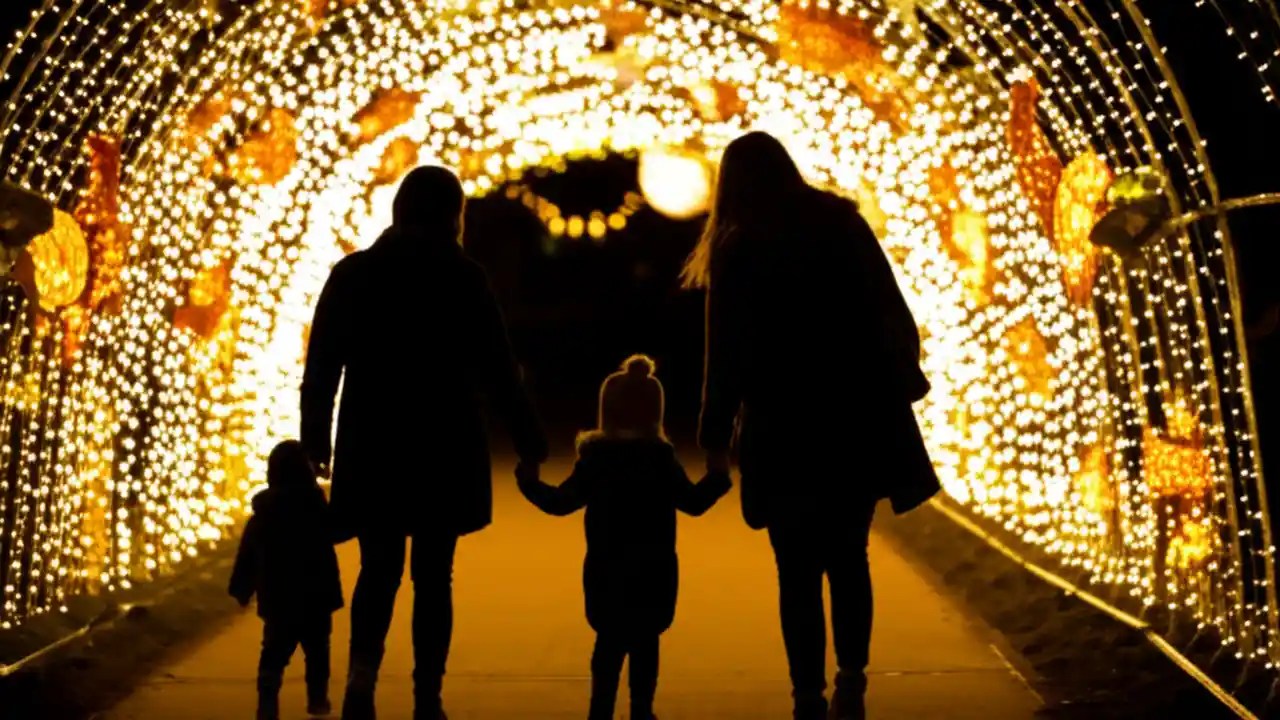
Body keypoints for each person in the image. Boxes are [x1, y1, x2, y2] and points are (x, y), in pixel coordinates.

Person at [685, 132, 940, 720]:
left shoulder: (738, 245)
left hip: (781, 427)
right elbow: (892, 311)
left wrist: (716, 443)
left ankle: (807, 693)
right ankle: (852, 678)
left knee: (795, 568)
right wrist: (897, 377)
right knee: (850, 557)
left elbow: (722, 354)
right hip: (853, 419)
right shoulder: (841, 226)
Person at [301, 166, 548, 720]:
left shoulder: (354, 274)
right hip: (444, 442)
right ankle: (426, 695)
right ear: (452, 214)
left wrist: (314, 436)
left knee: (378, 567)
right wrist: (529, 441)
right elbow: (498, 367)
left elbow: (322, 366)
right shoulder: (463, 277)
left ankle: (361, 683)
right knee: (435, 574)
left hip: (375, 440)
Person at [515, 355, 731, 720]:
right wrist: (719, 477)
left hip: (606, 569)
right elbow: (693, 503)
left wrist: (529, 483)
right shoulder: (660, 459)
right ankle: (642, 710)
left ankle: (600, 709)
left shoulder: (596, 460)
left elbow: (560, 503)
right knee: (648, 643)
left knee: (608, 643)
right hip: (655, 571)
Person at [229, 440, 343, 720]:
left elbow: (248, 554)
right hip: (316, 598)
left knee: (273, 653)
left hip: (279, 599)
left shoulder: (264, 515)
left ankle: (267, 700)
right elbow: (336, 531)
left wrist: (242, 588)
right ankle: (317, 698)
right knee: (317, 651)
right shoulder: (316, 509)